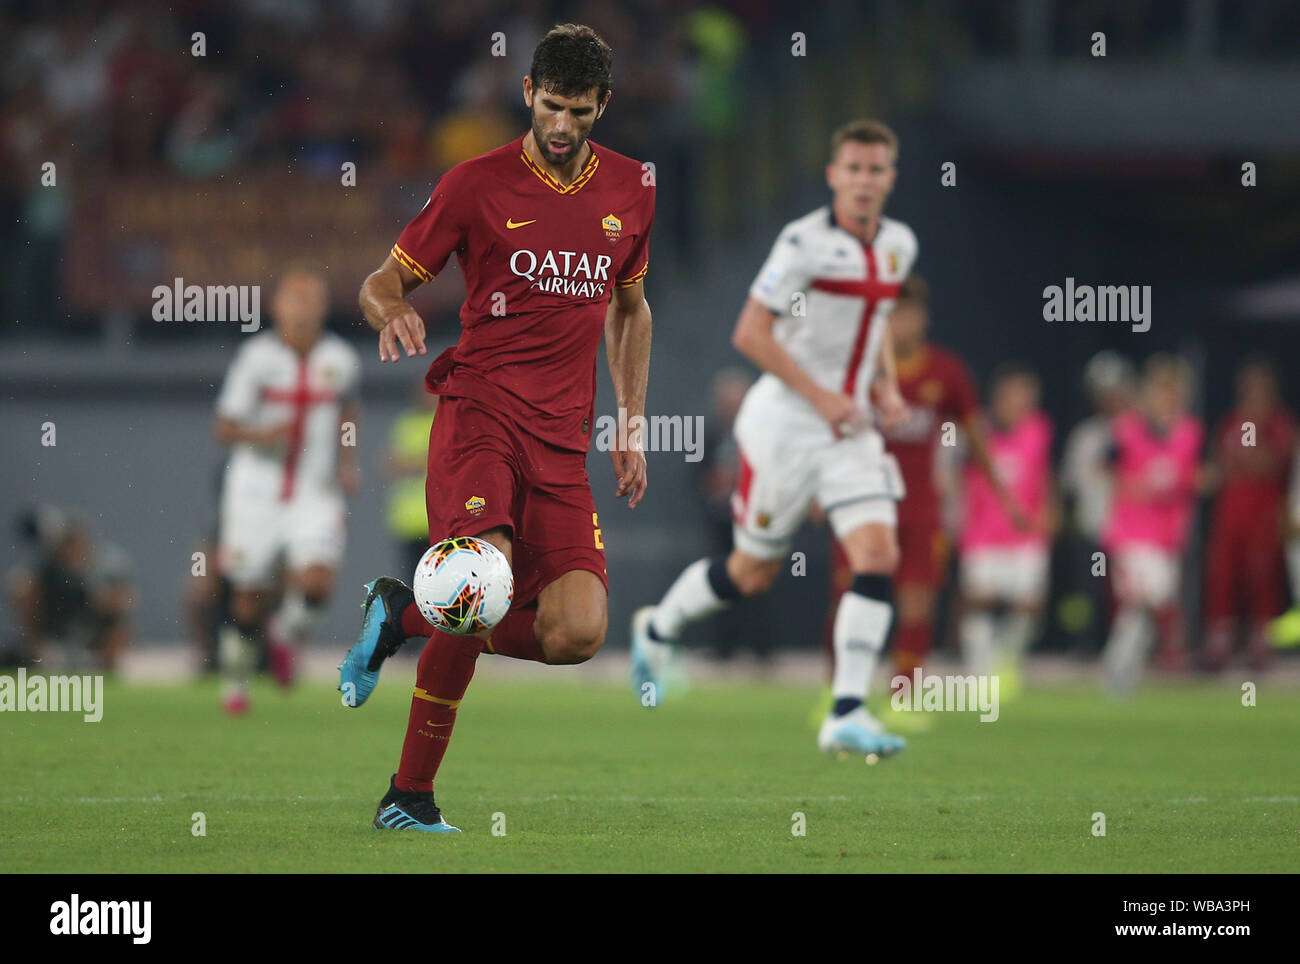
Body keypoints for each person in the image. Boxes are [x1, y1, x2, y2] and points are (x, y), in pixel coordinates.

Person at [339, 23, 654, 833]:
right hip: (479, 415)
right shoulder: (475, 183)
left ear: (602, 106)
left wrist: (632, 422)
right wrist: (395, 307)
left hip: (563, 443)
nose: (562, 125)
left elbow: (630, 307)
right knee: (482, 581)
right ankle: (408, 796)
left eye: (580, 112)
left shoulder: (632, 190)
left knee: (578, 632)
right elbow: (381, 281)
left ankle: (404, 614)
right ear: (528, 95)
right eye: (551, 106)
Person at [628, 119, 915, 758]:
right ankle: (659, 627)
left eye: (877, 170)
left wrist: (886, 388)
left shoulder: (899, 244)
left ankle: (844, 711)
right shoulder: (802, 243)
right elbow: (749, 333)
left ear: (891, 178)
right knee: (752, 571)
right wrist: (822, 396)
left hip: (850, 430)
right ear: (834, 175)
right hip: (785, 423)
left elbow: (879, 323)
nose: (866, 181)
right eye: (855, 169)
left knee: (877, 554)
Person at [825, 275, 1020, 689]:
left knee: (917, 604)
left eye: (907, 314)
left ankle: (904, 698)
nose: (900, 324)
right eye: (891, 315)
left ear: (923, 318)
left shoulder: (946, 372)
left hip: (919, 506)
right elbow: (828, 428)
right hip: (861, 501)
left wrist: (1005, 496)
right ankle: (839, 695)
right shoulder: (857, 370)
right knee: (849, 602)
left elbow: (975, 438)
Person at [214, 262, 361, 712]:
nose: (302, 307)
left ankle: (285, 636)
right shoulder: (256, 359)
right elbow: (224, 427)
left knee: (317, 583)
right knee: (249, 595)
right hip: (255, 490)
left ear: (322, 306)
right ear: (276, 306)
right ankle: (237, 682)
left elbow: (347, 411)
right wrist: (262, 436)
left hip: (313, 490)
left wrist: (347, 462)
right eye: (293, 297)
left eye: (311, 297)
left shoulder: (340, 360)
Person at [1100, 354, 1203, 691]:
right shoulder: (1127, 429)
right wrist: (1131, 486)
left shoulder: (1189, 433)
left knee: (1155, 603)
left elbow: (1196, 476)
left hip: (1167, 536)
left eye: (1172, 393)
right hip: (1130, 532)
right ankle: (1116, 666)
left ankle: (1123, 664)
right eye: (1160, 392)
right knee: (1138, 599)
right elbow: (1105, 468)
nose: (1165, 400)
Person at [957, 364, 1053, 690]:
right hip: (983, 533)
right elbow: (951, 474)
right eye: (1014, 397)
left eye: (1027, 399)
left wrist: (1048, 512)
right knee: (980, 601)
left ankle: (1006, 661)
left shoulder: (1039, 431)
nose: (1021, 405)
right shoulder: (975, 431)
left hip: (1026, 534)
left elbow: (1044, 475)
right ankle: (977, 671)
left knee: (1029, 604)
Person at [1201, 357, 1295, 670]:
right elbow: (1223, 464)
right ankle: (1221, 643)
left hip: (1264, 508)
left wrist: (1254, 431)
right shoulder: (1232, 422)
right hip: (1232, 509)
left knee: (1262, 576)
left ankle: (1261, 642)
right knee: (1224, 575)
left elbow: (1270, 464)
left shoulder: (1279, 423)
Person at [1058, 352, 1137, 654]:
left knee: (1129, 594)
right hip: (1095, 527)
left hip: (1132, 532)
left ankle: (1127, 650)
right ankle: (1086, 645)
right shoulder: (1085, 436)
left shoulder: (1136, 431)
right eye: (1103, 394)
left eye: (1115, 392)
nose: (1110, 399)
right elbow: (1072, 487)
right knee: (1090, 590)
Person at [385, 383, 440, 582]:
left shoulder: (444, 421)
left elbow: (441, 461)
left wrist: (412, 462)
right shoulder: (405, 423)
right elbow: (390, 463)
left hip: (437, 520)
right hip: (408, 522)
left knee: (440, 582)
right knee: (413, 583)